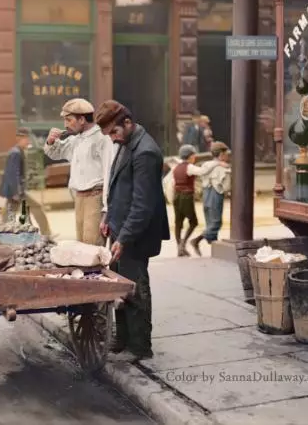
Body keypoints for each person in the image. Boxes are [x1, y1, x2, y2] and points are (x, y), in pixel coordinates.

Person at [95, 100, 169, 362]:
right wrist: (108, 217)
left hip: (136, 234)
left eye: (114, 132)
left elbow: (142, 205)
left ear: (127, 123)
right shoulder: (127, 143)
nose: (113, 140)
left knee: (134, 288)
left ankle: (140, 346)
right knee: (118, 285)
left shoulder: (145, 152)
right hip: (121, 227)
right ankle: (122, 337)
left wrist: (124, 237)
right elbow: (119, 187)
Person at [44, 98, 113, 246]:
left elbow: (109, 173)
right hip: (80, 197)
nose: (65, 125)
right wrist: (51, 141)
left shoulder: (101, 139)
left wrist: (107, 209)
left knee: (92, 246)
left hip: (96, 197)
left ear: (82, 119)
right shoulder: (77, 140)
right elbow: (56, 153)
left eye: (69, 120)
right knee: (81, 246)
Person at [164, 144, 207, 257]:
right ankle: (183, 243)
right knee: (193, 222)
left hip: (176, 196)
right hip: (186, 197)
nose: (195, 158)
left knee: (178, 223)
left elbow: (169, 182)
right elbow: (202, 171)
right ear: (190, 156)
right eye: (193, 155)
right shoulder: (190, 167)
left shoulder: (176, 167)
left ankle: (179, 248)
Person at [189, 142, 231, 255]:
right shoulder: (222, 168)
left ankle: (214, 248)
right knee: (216, 222)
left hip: (206, 194)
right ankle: (196, 240)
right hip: (215, 195)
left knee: (210, 222)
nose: (227, 156)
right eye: (226, 153)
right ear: (221, 154)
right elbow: (227, 186)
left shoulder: (206, 165)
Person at [0, 128, 30, 221]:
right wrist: (15, 192)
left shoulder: (18, 151)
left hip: (17, 189)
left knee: (11, 213)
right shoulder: (15, 153)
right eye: (26, 139)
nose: (28, 141)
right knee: (10, 213)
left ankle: (42, 232)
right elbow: (12, 174)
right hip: (15, 189)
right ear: (20, 139)